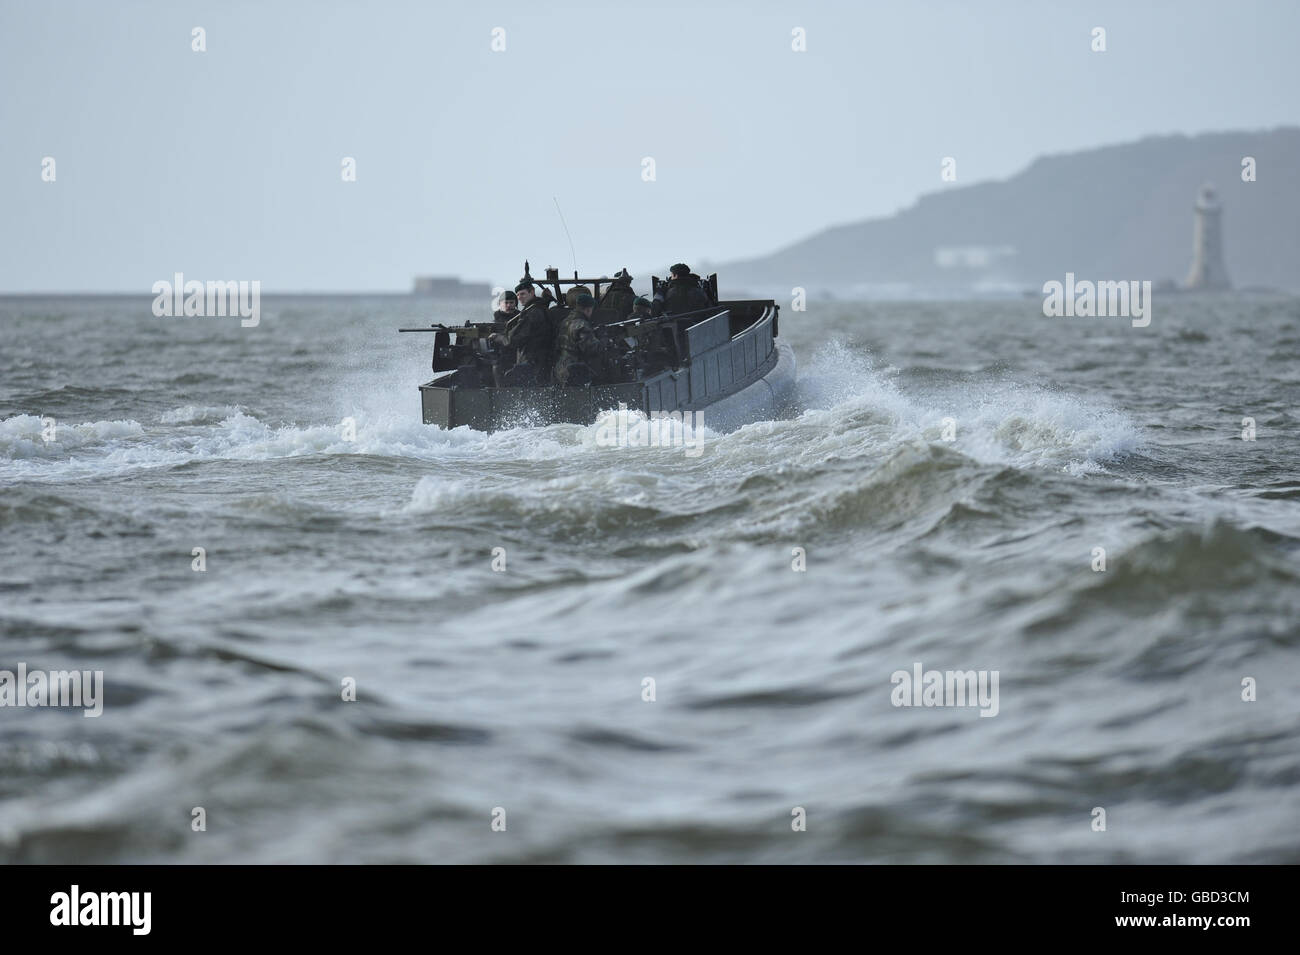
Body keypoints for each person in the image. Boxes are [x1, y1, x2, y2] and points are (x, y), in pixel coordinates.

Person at [554, 293, 615, 386]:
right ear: (588, 309)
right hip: (576, 372)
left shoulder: (565, 321)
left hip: (561, 369)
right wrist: (603, 338)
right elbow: (592, 349)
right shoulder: (582, 325)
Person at [504, 281, 556, 381]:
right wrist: (546, 299)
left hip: (531, 361)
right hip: (543, 360)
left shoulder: (531, 312)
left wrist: (499, 337)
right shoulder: (540, 307)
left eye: (523, 294)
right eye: (518, 295)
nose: (519, 297)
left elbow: (514, 339)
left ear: (532, 292)